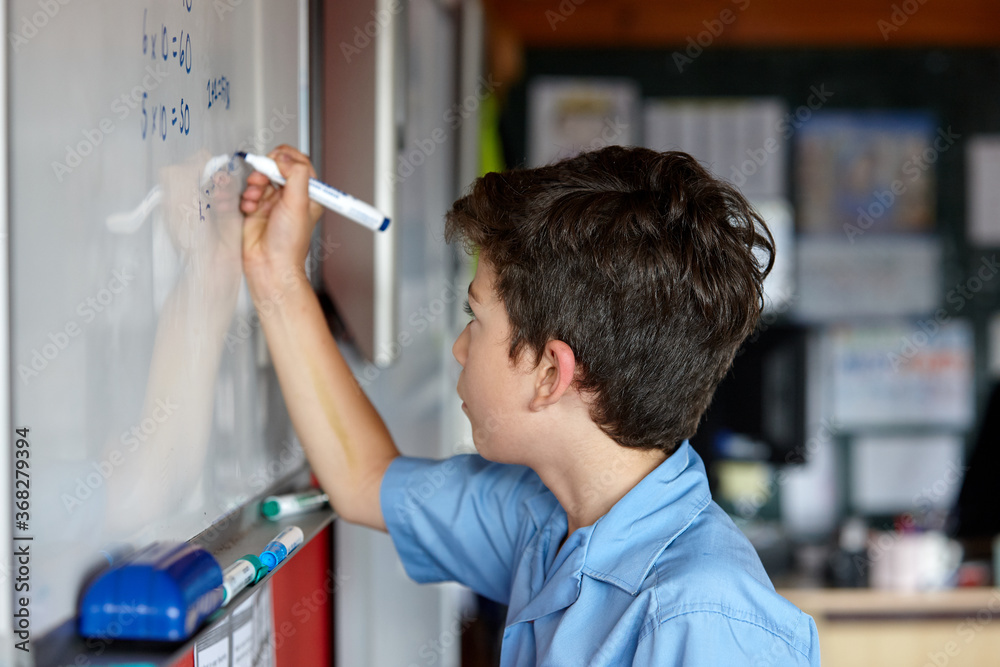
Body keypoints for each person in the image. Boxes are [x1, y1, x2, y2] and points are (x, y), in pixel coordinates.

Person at [239, 144, 821, 666]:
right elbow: (364, 479)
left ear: (550, 373)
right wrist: (275, 274)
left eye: (475, 318)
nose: (460, 348)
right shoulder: (544, 516)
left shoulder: (706, 622)